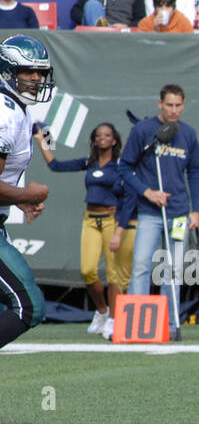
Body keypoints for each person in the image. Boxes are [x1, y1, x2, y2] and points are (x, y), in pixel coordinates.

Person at [119, 82, 199, 342]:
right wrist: (147, 192)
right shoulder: (143, 131)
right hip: (149, 212)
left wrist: (196, 210)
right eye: (169, 105)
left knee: (174, 269)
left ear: (184, 104)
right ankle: (136, 324)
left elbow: (195, 172)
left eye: (178, 105)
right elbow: (124, 167)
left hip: (179, 212)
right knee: (143, 265)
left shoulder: (188, 134)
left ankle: (171, 324)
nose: (174, 110)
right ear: (160, 104)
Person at [36, 121, 130, 340]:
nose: (102, 138)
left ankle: (115, 321)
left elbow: (129, 192)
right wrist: (42, 140)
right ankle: (102, 312)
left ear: (114, 140)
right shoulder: (90, 162)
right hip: (90, 220)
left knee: (114, 274)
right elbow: (56, 165)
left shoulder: (120, 164)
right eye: (98, 135)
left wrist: (121, 214)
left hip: (110, 221)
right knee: (88, 271)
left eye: (107, 135)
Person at [0, 35, 52, 350]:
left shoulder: (14, 107)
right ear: (8, 70)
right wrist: (27, 196)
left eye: (40, 72)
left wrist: (19, 199)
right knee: (28, 305)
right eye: (28, 71)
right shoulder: (5, 113)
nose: (36, 78)